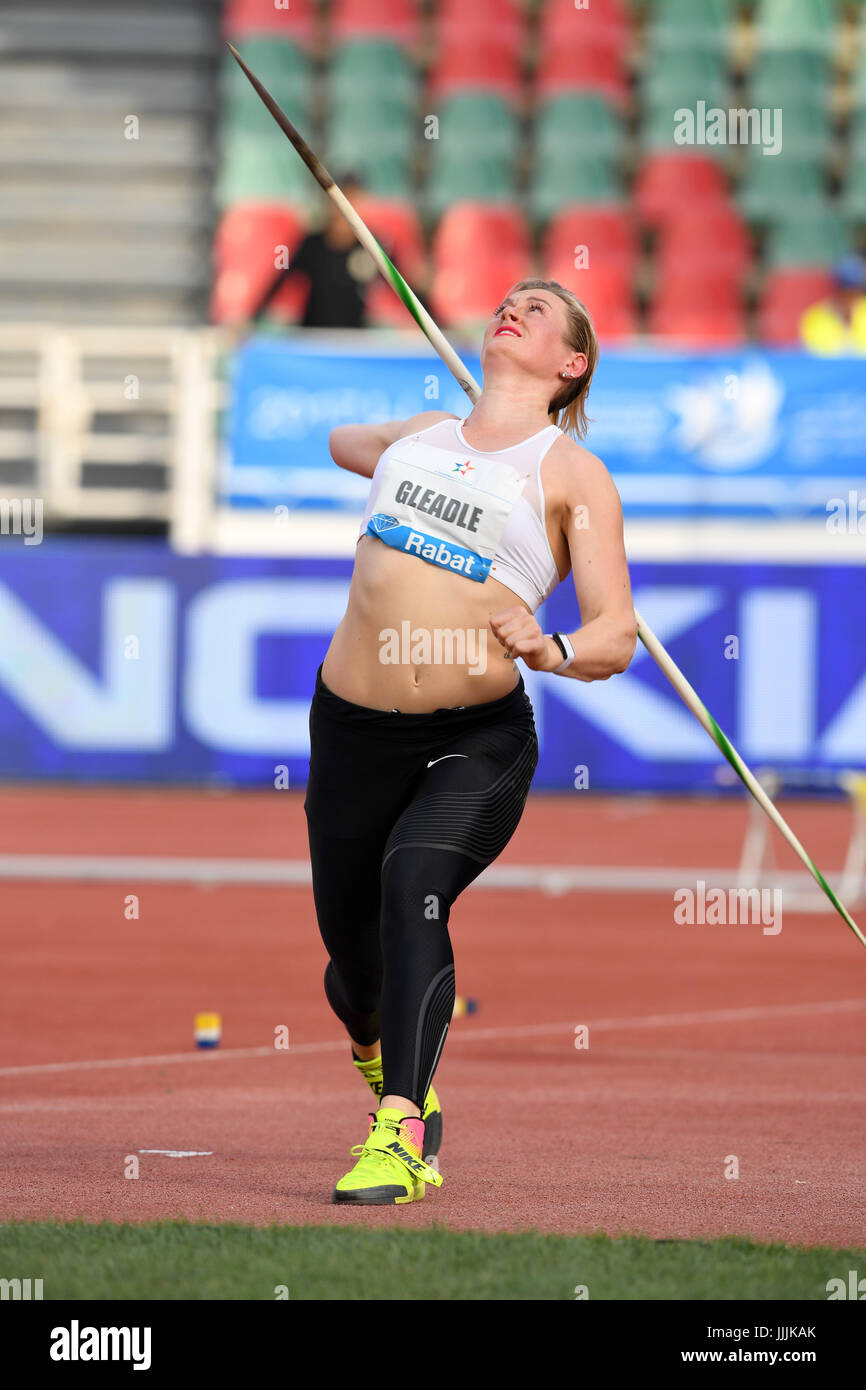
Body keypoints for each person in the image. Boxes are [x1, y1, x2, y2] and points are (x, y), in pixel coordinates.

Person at [304, 279, 638, 1205]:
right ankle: (379, 1053)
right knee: (351, 966)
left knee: (413, 882)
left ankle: (403, 1132)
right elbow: (341, 445)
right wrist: (428, 444)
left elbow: (617, 633)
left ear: (571, 364)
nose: (514, 307)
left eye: (540, 308)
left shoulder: (571, 472)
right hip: (349, 730)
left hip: (475, 737)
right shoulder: (419, 435)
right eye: (508, 300)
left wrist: (554, 645)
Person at [248, 172, 377, 328]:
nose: (347, 209)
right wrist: (251, 318)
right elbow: (279, 281)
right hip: (313, 335)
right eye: (343, 201)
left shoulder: (374, 247)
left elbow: (402, 283)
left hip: (354, 339)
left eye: (354, 200)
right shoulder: (311, 245)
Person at [799, 254, 866, 356]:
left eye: (854, 293)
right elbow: (817, 360)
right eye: (844, 292)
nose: (849, 300)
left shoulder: (863, 311)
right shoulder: (817, 318)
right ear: (835, 291)